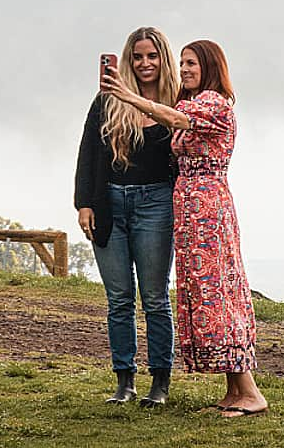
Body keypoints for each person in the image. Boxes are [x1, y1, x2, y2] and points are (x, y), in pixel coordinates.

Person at [101, 39, 268, 417]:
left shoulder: (214, 104)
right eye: (182, 62)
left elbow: (173, 119)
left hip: (208, 207)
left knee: (220, 293)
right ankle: (233, 391)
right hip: (190, 209)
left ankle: (251, 392)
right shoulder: (193, 102)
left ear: (208, 66)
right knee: (203, 292)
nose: (185, 68)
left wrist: (128, 95)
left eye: (191, 63)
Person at [74, 26, 180, 407]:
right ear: (128, 60)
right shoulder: (107, 101)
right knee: (118, 298)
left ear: (163, 59)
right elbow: (87, 152)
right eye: (137, 57)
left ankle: (160, 383)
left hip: (156, 204)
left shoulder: (177, 102)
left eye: (152, 56)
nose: (145, 63)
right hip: (109, 203)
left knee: (154, 297)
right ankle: (124, 381)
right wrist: (83, 203)